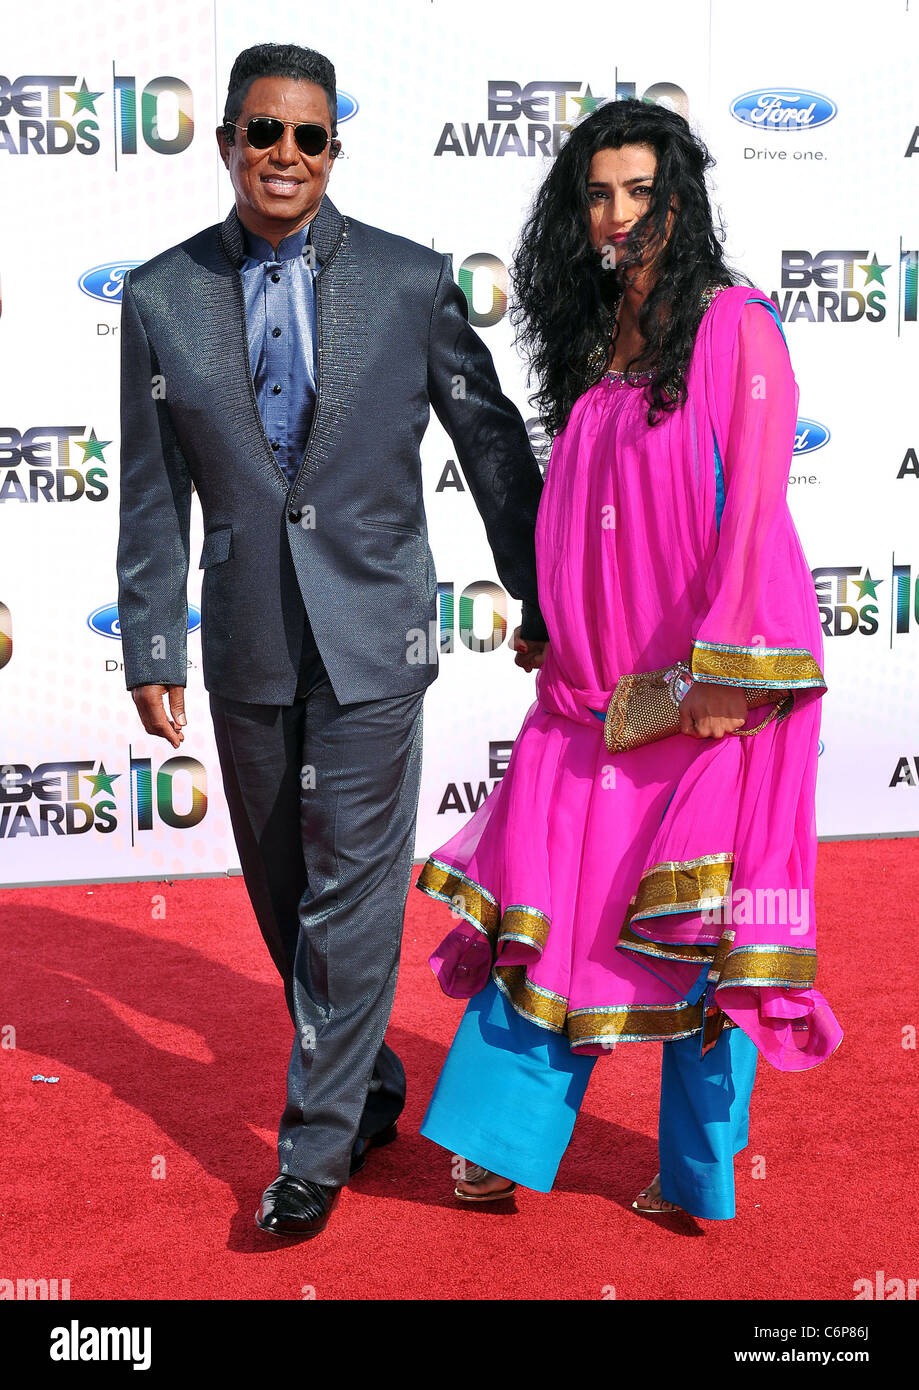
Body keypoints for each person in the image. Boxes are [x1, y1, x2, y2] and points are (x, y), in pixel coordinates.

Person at [116, 41, 549, 1240]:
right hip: (248, 639)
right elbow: (152, 491)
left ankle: (312, 1149)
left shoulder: (409, 283)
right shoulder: (158, 296)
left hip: (372, 637)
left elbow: (491, 447)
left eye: (309, 137)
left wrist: (542, 596)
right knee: (281, 888)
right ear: (227, 144)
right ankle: (363, 1081)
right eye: (264, 133)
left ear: (333, 149)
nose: (286, 156)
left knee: (352, 896)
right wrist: (150, 641)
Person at [415, 98, 843, 1219]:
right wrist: (553, 613)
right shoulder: (595, 336)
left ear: (678, 197)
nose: (617, 217)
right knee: (550, 901)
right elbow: (589, 505)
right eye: (596, 194)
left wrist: (720, 679)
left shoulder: (732, 325)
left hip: (705, 693)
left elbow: (750, 508)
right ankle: (499, 1142)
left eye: (640, 191)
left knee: (697, 927)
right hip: (590, 694)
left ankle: (697, 1175)